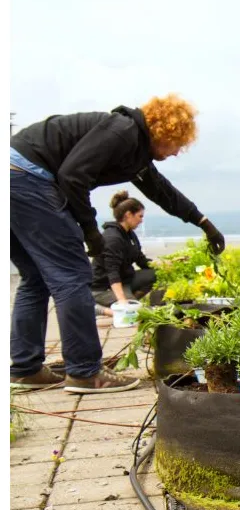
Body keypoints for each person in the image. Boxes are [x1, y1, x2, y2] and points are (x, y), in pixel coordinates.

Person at [10, 93, 226, 394]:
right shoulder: (122, 132)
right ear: (166, 132)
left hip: (14, 175)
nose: (177, 152)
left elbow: (162, 191)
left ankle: (25, 368)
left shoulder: (133, 149)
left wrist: (203, 223)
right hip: (27, 177)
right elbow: (72, 176)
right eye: (178, 144)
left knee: (35, 278)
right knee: (72, 276)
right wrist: (90, 231)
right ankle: (85, 372)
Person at [90, 190, 156, 313]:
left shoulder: (129, 234)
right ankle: (110, 305)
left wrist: (163, 265)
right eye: (140, 216)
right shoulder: (112, 238)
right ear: (128, 215)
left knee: (155, 274)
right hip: (103, 288)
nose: (141, 220)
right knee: (135, 311)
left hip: (125, 280)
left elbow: (141, 260)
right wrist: (122, 301)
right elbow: (112, 272)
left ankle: (128, 301)